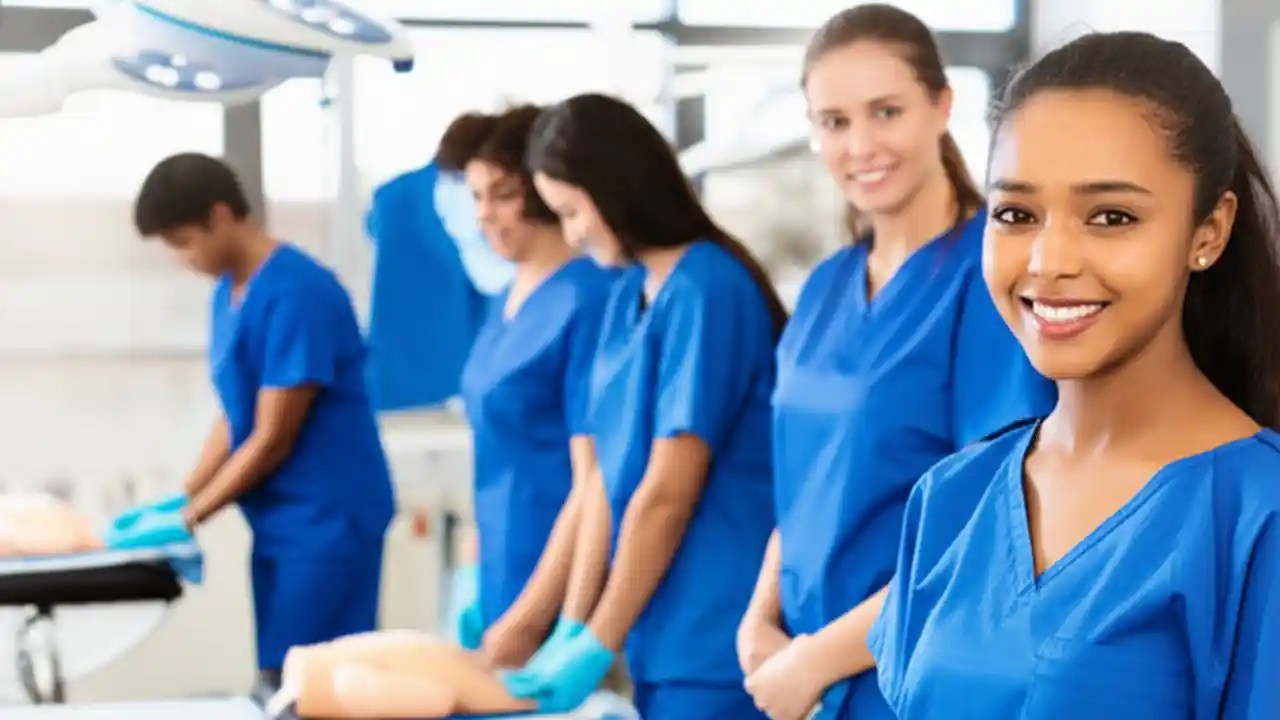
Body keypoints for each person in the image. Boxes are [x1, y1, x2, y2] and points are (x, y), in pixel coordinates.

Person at [869, 31, 1280, 719]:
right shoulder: (951, 497)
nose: (1048, 260)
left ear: (1207, 232)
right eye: (1017, 214)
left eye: (1111, 216)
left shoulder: (1256, 518)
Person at [736, 6, 1056, 720]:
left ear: (942, 106)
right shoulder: (824, 289)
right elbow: (801, 486)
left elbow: (991, 527)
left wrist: (814, 660)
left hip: (913, 677)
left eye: (886, 111)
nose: (861, 145)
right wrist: (760, 621)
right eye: (834, 121)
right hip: (803, 674)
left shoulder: (989, 282)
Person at [499, 93, 787, 718]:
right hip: (659, 635)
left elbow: (666, 493)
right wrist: (571, 630)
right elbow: (603, 478)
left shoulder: (708, 290)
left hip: (717, 635)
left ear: (616, 186)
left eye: (574, 212)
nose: (572, 235)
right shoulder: (628, 292)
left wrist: (597, 641)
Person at [131, 153, 396, 698]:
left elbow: (273, 437)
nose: (183, 259)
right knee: (277, 676)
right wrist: (180, 498)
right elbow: (235, 416)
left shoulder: (299, 292)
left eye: (184, 242)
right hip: (280, 523)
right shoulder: (229, 293)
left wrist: (191, 517)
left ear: (221, 216)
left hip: (328, 521)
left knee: (316, 688)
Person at [433, 105, 615, 667]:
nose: (486, 214)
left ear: (542, 188)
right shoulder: (503, 301)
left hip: (560, 583)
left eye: (503, 193)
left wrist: (539, 616)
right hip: (497, 571)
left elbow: (595, 482)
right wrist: (470, 568)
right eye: (477, 195)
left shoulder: (590, 299)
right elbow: (493, 451)